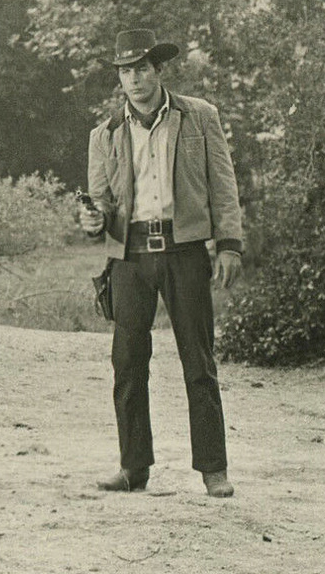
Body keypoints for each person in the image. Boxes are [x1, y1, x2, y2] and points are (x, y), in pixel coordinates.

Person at [78, 29, 244, 498]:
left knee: (199, 360)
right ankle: (134, 468)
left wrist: (230, 245)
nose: (134, 80)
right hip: (129, 256)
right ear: (120, 78)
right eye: (125, 72)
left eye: (142, 69)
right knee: (128, 364)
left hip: (184, 251)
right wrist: (92, 219)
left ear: (158, 71)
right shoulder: (105, 133)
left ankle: (213, 469)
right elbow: (100, 204)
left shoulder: (198, 117)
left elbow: (224, 186)